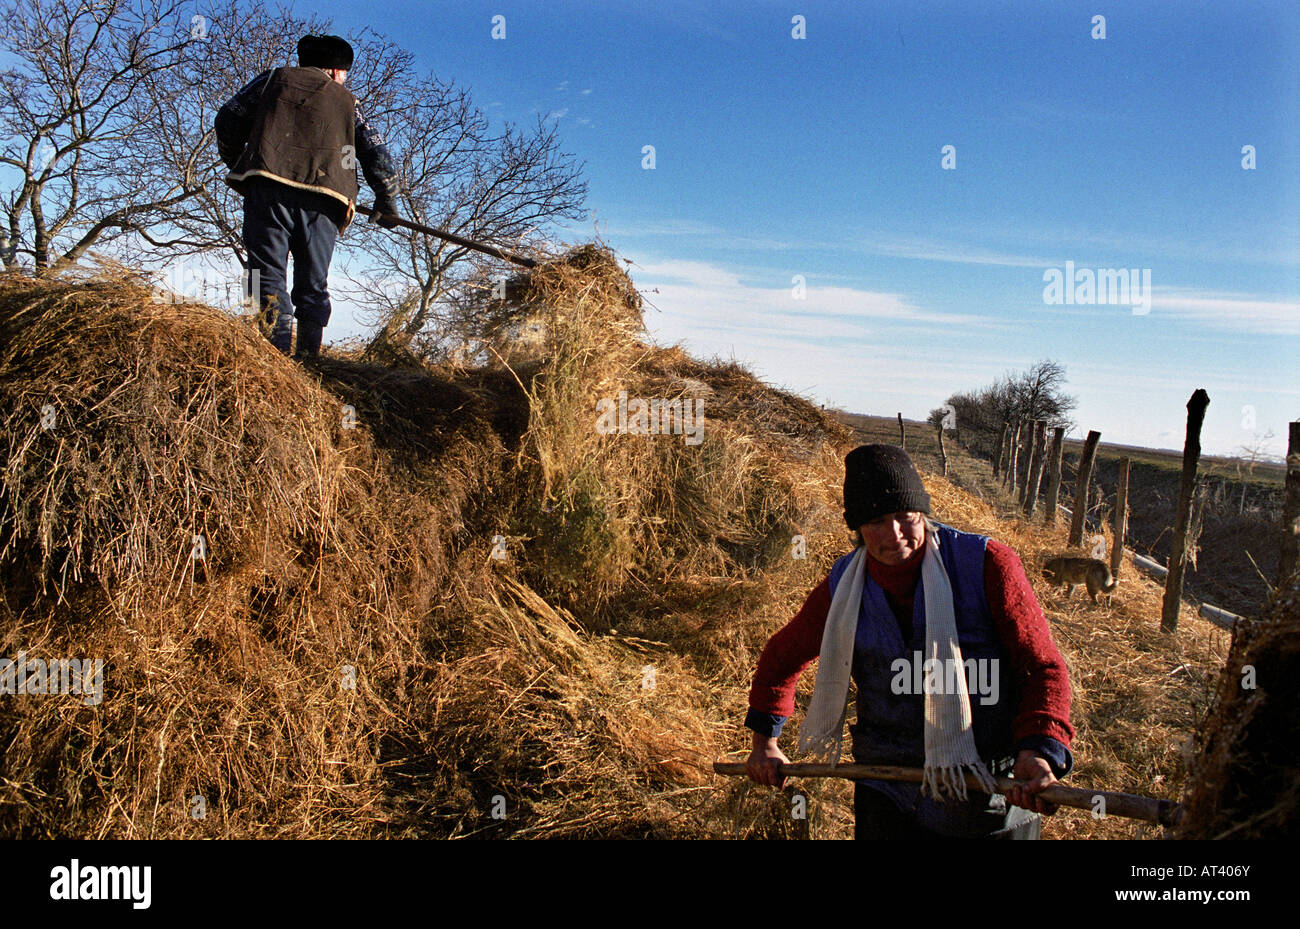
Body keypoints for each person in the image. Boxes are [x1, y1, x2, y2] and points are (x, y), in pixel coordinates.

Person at [745, 444, 1075, 838]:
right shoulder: (846, 587)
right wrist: (765, 741)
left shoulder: (985, 566)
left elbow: (1042, 666)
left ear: (923, 513)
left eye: (906, 517)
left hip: (985, 785)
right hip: (886, 785)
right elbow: (782, 655)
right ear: (858, 527)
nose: (895, 535)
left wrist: (1038, 751)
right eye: (877, 521)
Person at [215, 35, 402, 358]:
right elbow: (377, 154)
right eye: (344, 73)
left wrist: (239, 160)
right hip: (325, 201)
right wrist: (387, 201)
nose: (344, 80)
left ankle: (275, 360)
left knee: (266, 277)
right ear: (333, 71)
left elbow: (228, 118)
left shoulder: (272, 80)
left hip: (268, 191)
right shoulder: (346, 103)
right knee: (313, 283)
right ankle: (309, 363)